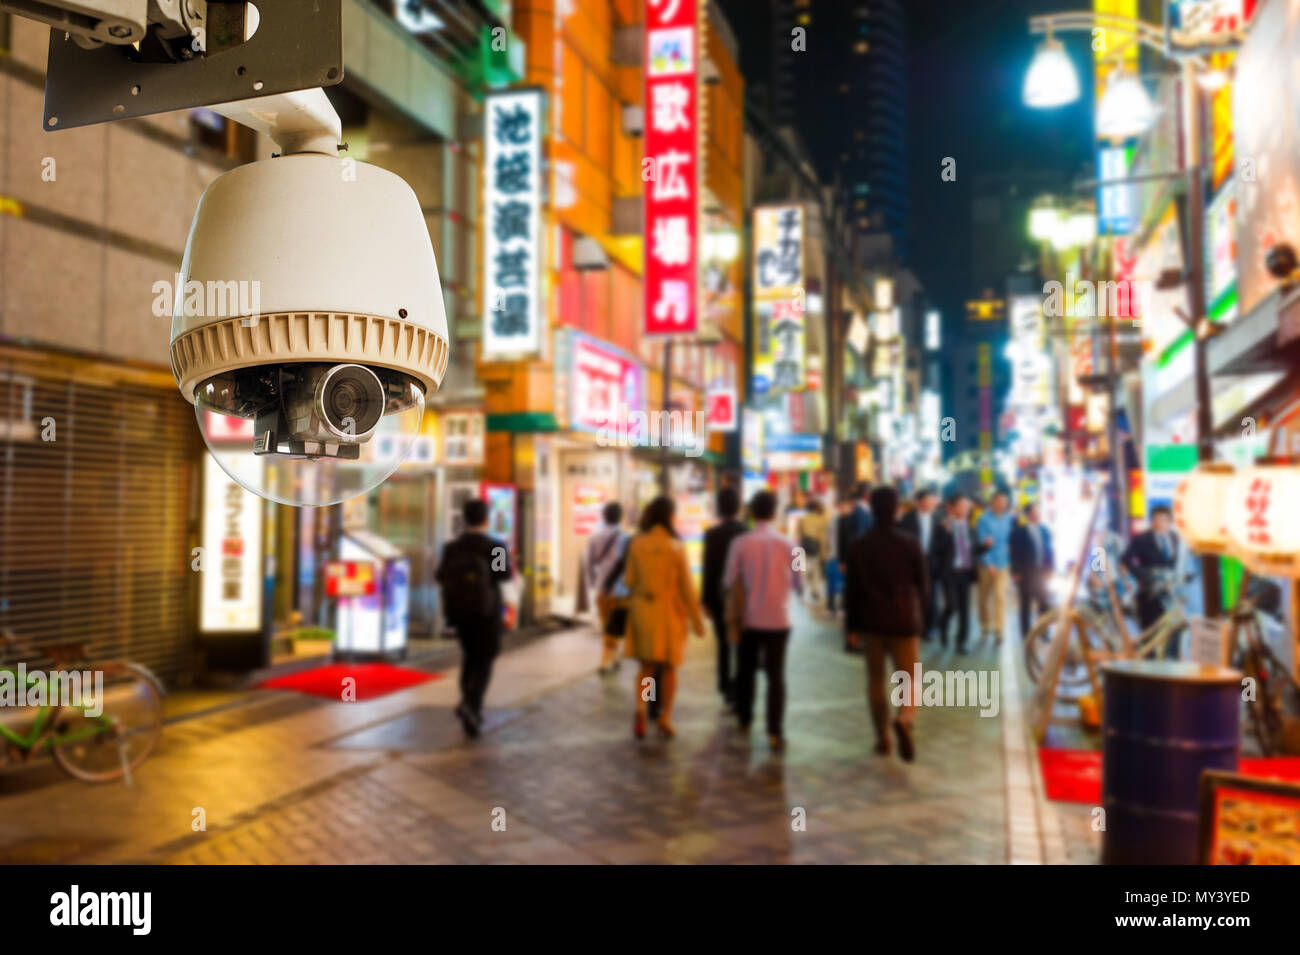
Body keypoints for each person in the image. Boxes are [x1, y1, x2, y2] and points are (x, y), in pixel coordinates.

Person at [845, 486, 928, 762]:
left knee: (876, 681)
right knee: (910, 679)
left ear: (871, 508)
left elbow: (851, 591)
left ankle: (882, 738)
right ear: (897, 510)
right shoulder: (910, 543)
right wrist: (924, 619)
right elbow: (923, 586)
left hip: (871, 621)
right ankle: (904, 718)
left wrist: (851, 628)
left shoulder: (859, 545)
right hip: (904, 620)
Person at [723, 490, 800, 751]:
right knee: (776, 675)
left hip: (750, 619)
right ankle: (775, 732)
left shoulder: (740, 543)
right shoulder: (790, 544)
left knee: (746, 672)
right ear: (775, 512)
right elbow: (800, 579)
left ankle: (745, 720)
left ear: (751, 513)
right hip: (780, 617)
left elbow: (728, 579)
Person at [624, 495, 705, 739]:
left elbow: (628, 580)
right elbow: (688, 589)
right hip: (669, 613)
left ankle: (642, 708)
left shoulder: (636, 544)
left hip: (642, 610)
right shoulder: (676, 547)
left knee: (647, 666)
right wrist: (697, 621)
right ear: (669, 517)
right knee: (669, 668)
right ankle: (664, 717)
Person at [435, 497, 512, 737]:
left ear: (465, 519)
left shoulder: (451, 548)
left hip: (459, 613)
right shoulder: (496, 546)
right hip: (487, 613)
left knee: (470, 656)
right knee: (485, 658)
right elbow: (504, 575)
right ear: (486, 519)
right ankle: (470, 705)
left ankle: (468, 703)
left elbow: (440, 576)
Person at [701, 487, 748, 709]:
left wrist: (706, 601)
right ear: (738, 507)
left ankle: (725, 687)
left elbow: (708, 570)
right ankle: (739, 686)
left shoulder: (711, 535)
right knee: (741, 645)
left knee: (722, 644)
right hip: (741, 598)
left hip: (719, 597)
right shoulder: (746, 532)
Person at [1121, 505, 1183, 658]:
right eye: (1157, 520)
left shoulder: (1175, 538)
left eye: (1164, 520)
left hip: (1170, 592)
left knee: (1175, 627)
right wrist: (1142, 574)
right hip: (1149, 594)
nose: (1160, 523)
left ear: (1170, 522)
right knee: (1150, 631)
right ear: (1152, 521)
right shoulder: (1142, 539)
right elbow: (1125, 559)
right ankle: (1148, 666)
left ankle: (1171, 659)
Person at [586, 501, 629, 674]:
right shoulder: (626, 538)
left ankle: (611, 657)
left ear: (604, 517)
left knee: (607, 625)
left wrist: (593, 584)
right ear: (621, 517)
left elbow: (588, 564)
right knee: (616, 625)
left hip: (603, 589)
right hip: (622, 589)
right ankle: (606, 660)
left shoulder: (594, 537)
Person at [932, 493, 978, 652]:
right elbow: (936, 549)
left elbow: (974, 549)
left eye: (967, 506)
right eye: (962, 505)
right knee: (952, 605)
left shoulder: (969, 526)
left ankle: (961, 642)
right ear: (952, 507)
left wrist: (985, 546)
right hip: (949, 572)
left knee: (965, 608)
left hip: (965, 571)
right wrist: (948, 533)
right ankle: (943, 625)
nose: (966, 509)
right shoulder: (943, 525)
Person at [835, 482, 874, 648]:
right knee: (857, 602)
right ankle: (853, 640)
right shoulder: (860, 513)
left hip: (856, 564)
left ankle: (855, 638)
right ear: (867, 495)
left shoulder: (859, 513)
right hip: (859, 565)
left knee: (857, 601)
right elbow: (857, 540)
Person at [899, 488, 941, 639]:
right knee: (913, 595)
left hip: (932, 563)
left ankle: (929, 627)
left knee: (932, 595)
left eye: (932, 499)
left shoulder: (939, 518)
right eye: (929, 499)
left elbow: (943, 542)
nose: (932, 502)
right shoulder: (907, 519)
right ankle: (915, 624)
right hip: (912, 564)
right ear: (920, 502)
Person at [975, 490, 1015, 644]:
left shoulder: (1008, 518)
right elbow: (982, 543)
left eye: (1005, 502)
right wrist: (988, 562)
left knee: (999, 596)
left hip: (1003, 563)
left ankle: (999, 629)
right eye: (1000, 501)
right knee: (984, 598)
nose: (1003, 504)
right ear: (992, 502)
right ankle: (985, 626)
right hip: (987, 564)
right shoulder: (983, 519)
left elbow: (1009, 539)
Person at [1010, 502, 1055, 639]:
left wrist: (1051, 568)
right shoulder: (1019, 532)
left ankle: (1043, 631)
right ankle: (1026, 634)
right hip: (1026, 573)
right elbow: (1014, 554)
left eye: (1039, 512)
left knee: (1043, 603)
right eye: (1035, 512)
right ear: (1028, 515)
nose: (1038, 515)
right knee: (1025, 604)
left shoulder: (1045, 530)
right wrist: (1016, 572)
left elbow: (1050, 551)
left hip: (1042, 572)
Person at [796, 498, 831, 605]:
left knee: (803, 568)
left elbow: (798, 535)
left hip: (804, 545)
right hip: (815, 546)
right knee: (815, 569)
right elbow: (822, 537)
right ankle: (814, 591)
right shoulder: (821, 520)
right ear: (816, 508)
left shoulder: (802, 519)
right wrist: (824, 552)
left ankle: (801, 586)